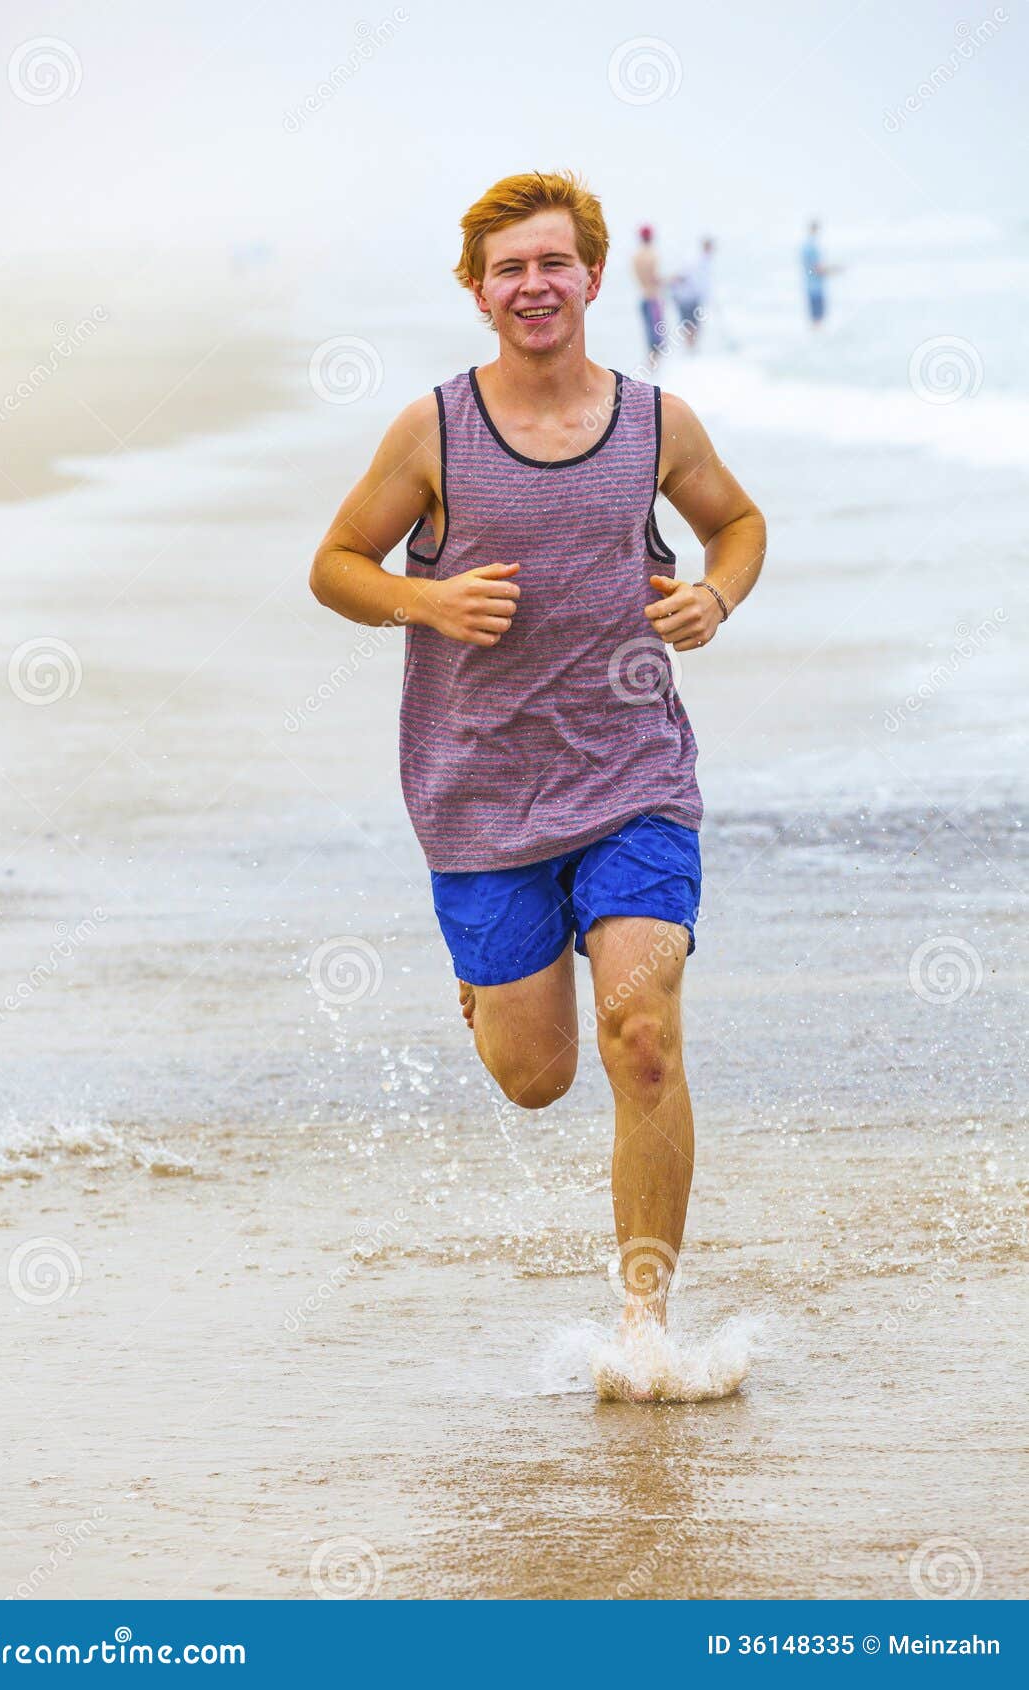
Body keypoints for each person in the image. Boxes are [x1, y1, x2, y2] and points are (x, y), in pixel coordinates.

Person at [309, 170, 766, 1400]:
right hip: (479, 798)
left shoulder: (654, 422)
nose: (532, 286)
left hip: (634, 779)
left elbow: (737, 524)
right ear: (477, 292)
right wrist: (423, 596)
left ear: (591, 279)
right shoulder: (434, 431)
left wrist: (711, 594)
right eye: (507, 269)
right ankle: (492, 981)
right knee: (537, 1077)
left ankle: (644, 1322)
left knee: (643, 1039)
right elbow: (335, 564)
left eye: (552, 263)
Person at [669, 236, 715, 352]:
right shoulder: (695, 260)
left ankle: (692, 350)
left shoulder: (705, 260)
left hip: (694, 297)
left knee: (695, 326)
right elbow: (680, 275)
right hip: (686, 297)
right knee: (689, 326)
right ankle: (690, 350)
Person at [632, 224, 666, 369]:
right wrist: (672, 280)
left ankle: (652, 368)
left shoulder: (636, 257)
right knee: (657, 338)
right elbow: (655, 278)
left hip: (643, 298)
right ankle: (656, 369)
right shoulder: (652, 255)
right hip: (653, 299)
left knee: (648, 336)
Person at [801, 218, 838, 326]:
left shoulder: (807, 246)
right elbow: (816, 269)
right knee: (817, 320)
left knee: (816, 319)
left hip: (811, 286)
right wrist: (834, 270)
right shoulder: (811, 247)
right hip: (815, 288)